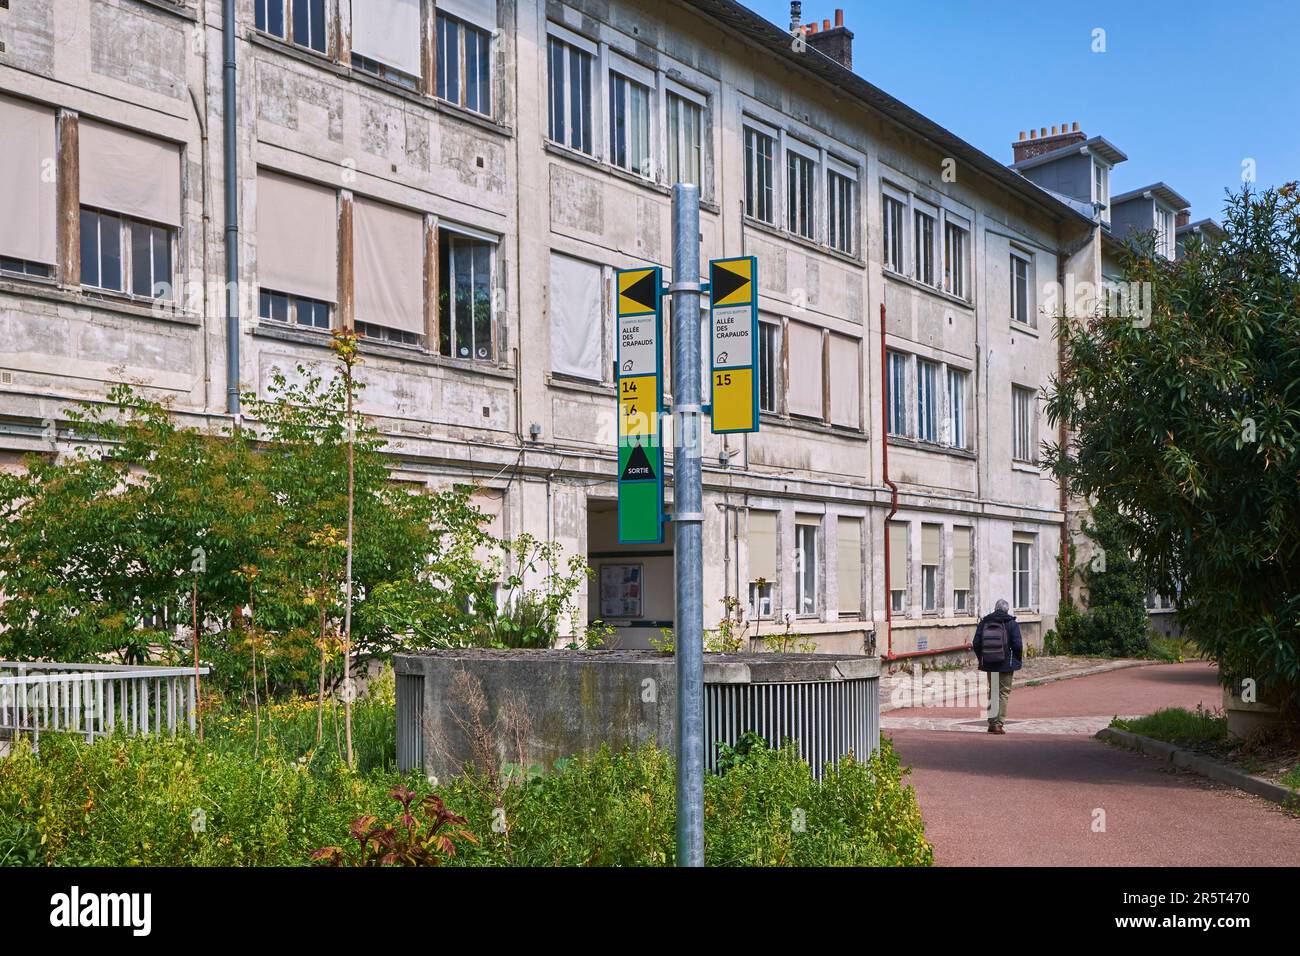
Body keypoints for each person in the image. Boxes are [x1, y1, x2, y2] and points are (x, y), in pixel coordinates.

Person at [972, 598, 1023, 734]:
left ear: (995, 609)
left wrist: (982, 657)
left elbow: (976, 643)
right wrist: (1017, 658)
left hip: (990, 662)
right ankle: (999, 724)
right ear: (1007, 610)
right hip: (1006, 664)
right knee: (1003, 692)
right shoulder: (1011, 623)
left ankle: (992, 722)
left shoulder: (985, 621)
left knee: (993, 691)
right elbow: (1017, 645)